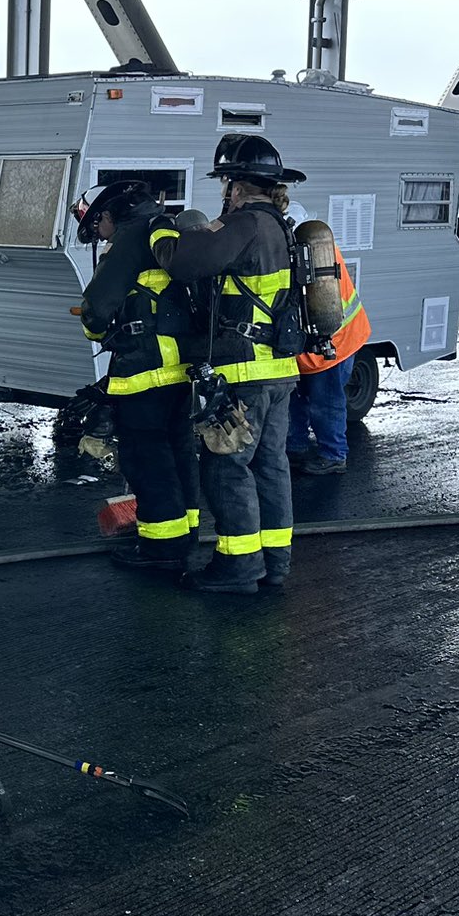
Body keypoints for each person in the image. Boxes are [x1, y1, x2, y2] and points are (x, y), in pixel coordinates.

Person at [153, 134, 303, 595]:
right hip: (278, 370)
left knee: (226, 467)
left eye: (226, 184)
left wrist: (160, 228)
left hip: (244, 371)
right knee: (270, 467)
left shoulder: (244, 224)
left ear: (236, 187)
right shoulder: (282, 226)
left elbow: (182, 262)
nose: (225, 192)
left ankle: (237, 567)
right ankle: (275, 561)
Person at [77, 181, 199, 573]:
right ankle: (185, 532)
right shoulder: (165, 230)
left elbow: (97, 306)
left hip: (145, 370)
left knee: (147, 456)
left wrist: (95, 331)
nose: (98, 234)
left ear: (112, 216)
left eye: (98, 225)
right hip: (181, 367)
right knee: (178, 450)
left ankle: (161, 547)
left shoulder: (131, 238)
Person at [287, 236, 371, 477]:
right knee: (299, 396)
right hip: (330, 340)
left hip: (335, 343)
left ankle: (334, 455)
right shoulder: (318, 249)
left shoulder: (303, 256)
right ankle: (297, 446)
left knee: (325, 402)